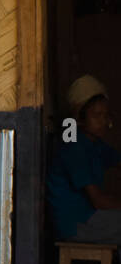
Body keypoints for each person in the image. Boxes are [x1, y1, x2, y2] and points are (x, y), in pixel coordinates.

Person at [48, 75, 121, 244]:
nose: (103, 122)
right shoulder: (73, 147)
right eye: (96, 116)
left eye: (105, 115)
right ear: (79, 118)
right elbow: (99, 201)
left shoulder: (94, 144)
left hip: (90, 218)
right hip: (76, 225)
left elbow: (116, 160)